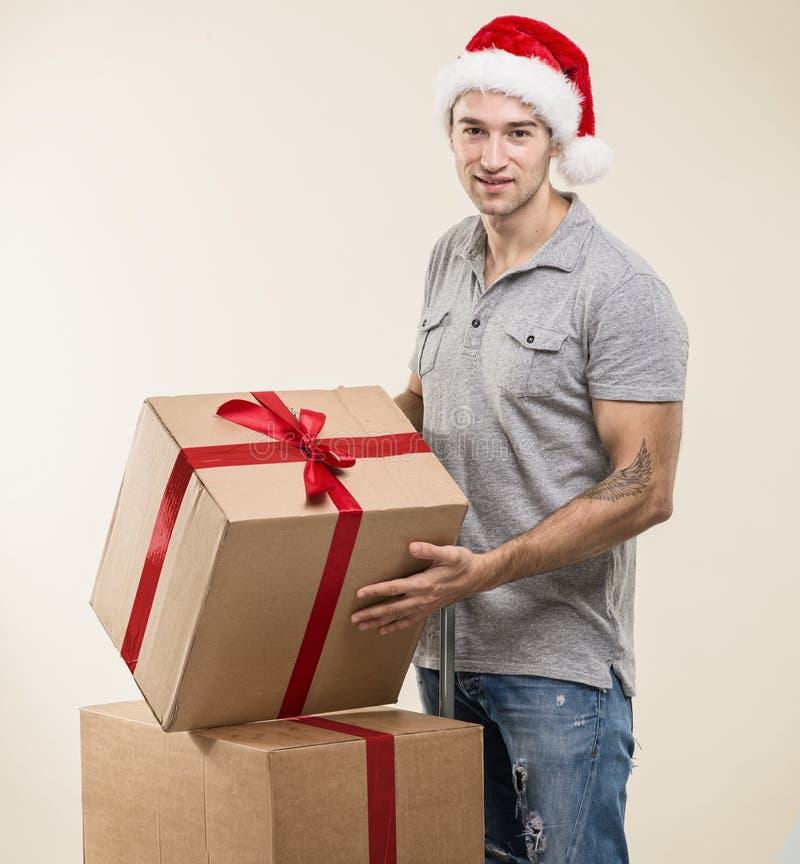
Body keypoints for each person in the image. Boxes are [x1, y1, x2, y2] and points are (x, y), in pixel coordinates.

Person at [351, 15, 688, 864]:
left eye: (518, 133)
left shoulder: (618, 289)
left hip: (557, 667)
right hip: (447, 649)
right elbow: (422, 402)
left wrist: (488, 569)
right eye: (473, 130)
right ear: (451, 136)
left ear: (556, 143)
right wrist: (321, 449)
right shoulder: (450, 255)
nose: (491, 156)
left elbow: (646, 487)